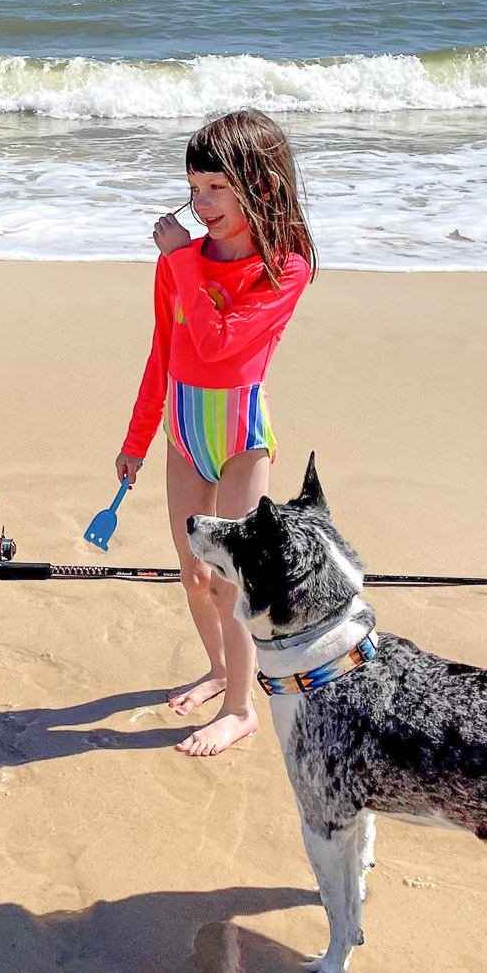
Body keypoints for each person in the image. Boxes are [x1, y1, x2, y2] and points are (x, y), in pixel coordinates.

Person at [113, 110, 315, 757]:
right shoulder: (182, 261)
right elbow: (165, 351)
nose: (199, 206)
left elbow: (220, 345)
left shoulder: (285, 266)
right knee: (194, 575)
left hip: (238, 435)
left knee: (234, 580)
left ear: (260, 183)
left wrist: (180, 259)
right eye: (194, 190)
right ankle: (222, 669)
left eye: (215, 190)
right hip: (182, 428)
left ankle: (240, 709)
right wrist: (137, 440)